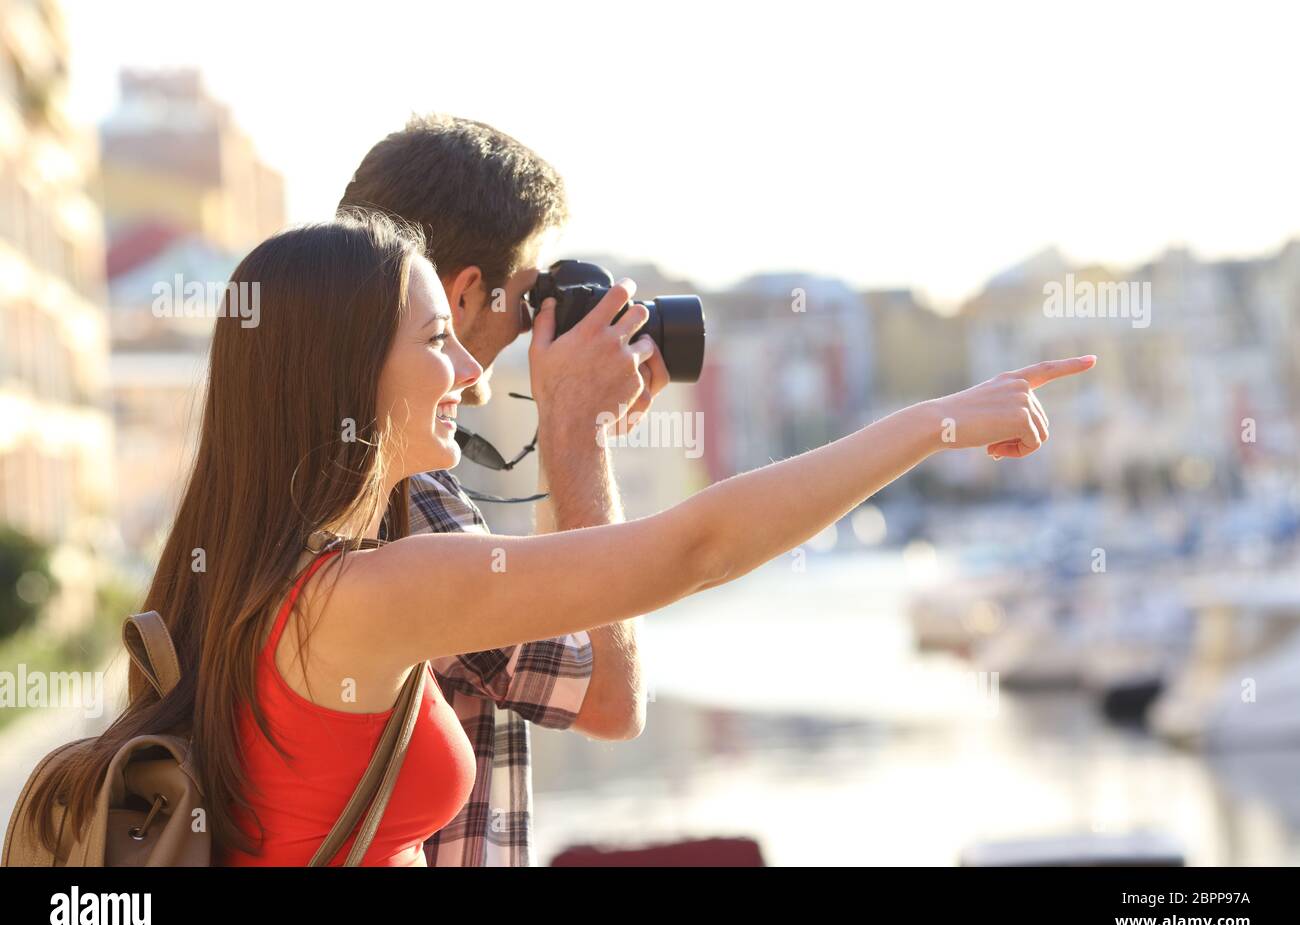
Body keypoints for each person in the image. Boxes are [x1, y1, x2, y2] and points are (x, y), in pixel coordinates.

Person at [25, 211, 1094, 866]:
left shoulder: (257, 577)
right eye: (437, 339)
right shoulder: (360, 596)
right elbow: (693, 548)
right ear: (347, 376)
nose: (471, 374)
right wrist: (936, 420)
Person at [337, 115, 665, 866]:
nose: (531, 327)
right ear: (462, 296)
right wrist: (575, 434)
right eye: (528, 299)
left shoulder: (303, 464)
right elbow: (611, 698)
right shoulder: (400, 501)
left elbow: (562, 617)